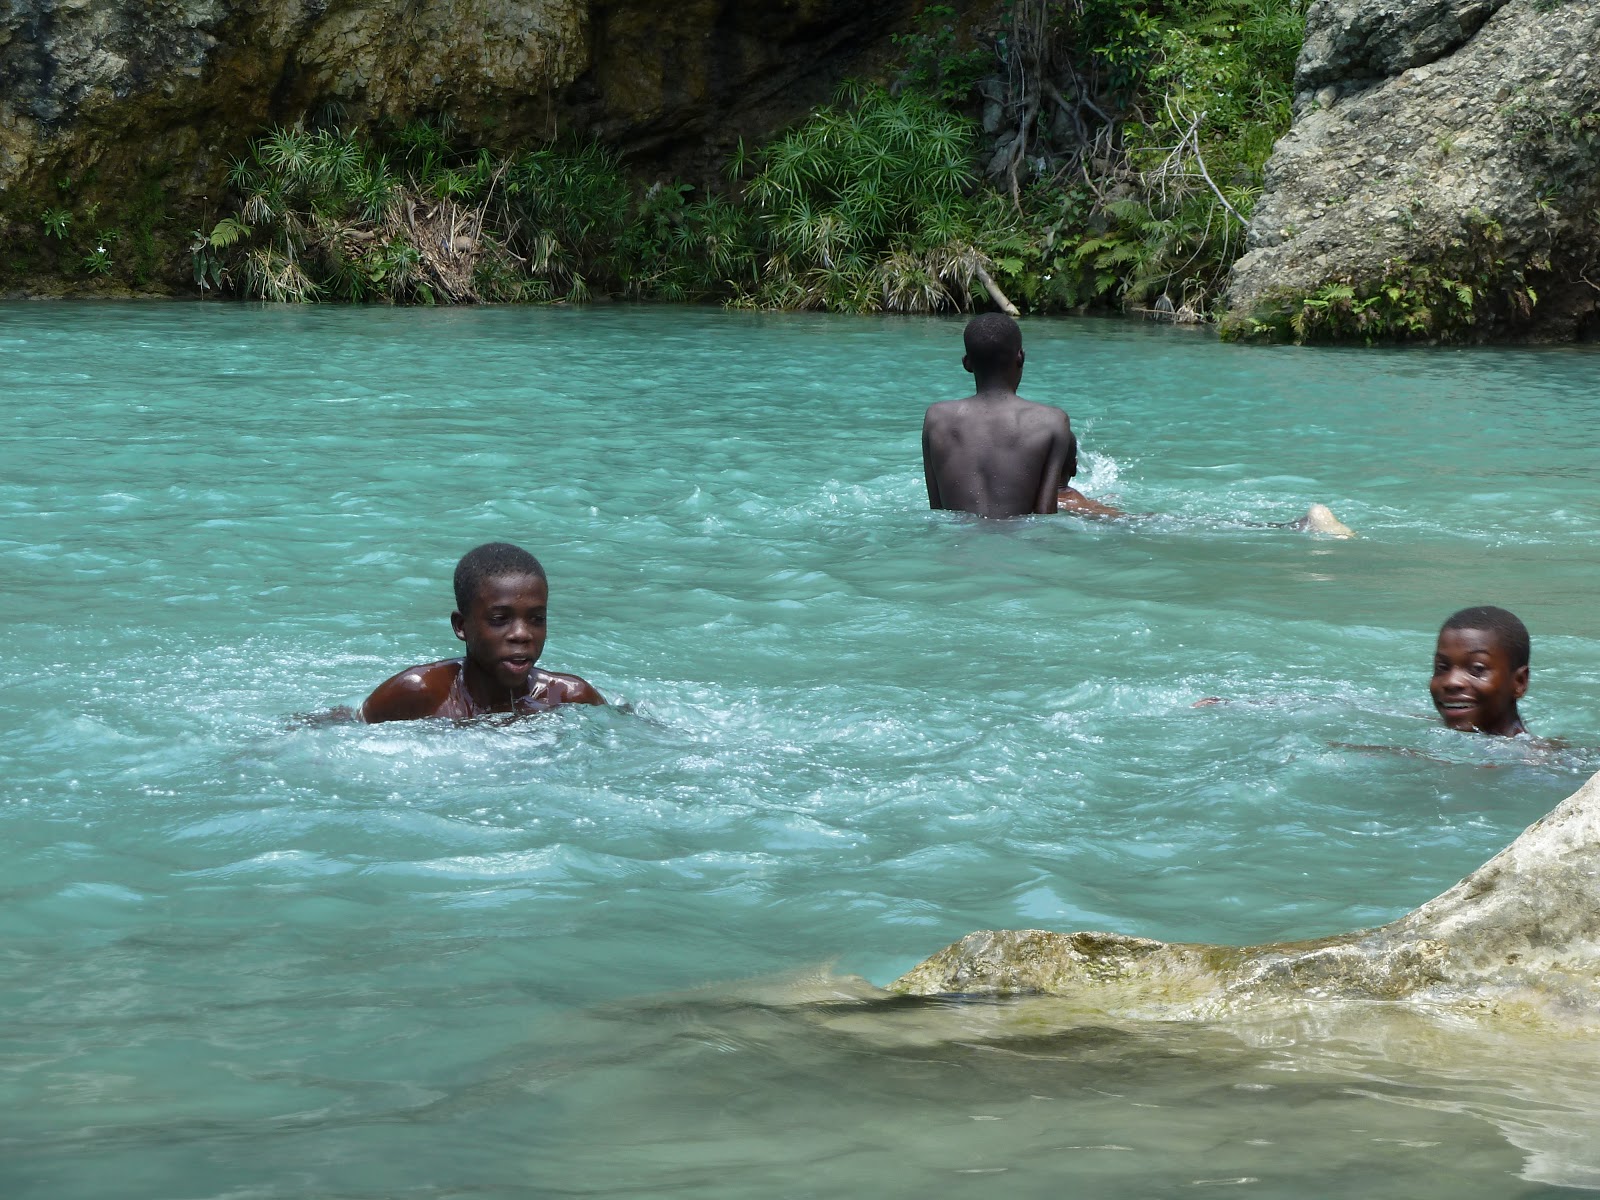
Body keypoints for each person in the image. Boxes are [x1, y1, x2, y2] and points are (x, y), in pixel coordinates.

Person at [360, 542, 604, 723]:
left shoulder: (569, 697)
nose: (521, 634)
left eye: (536, 619)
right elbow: (342, 726)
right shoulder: (421, 693)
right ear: (461, 626)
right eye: (500, 619)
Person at [922, 313, 1075, 518]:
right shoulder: (1052, 421)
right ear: (1020, 357)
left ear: (967, 363)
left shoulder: (936, 418)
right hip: (1019, 543)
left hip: (956, 544)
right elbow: (1044, 515)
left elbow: (938, 512)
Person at [1430, 605, 1530, 737]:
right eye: (1442, 667)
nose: (1452, 681)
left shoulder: (1533, 756)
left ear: (1519, 682)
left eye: (1477, 669)